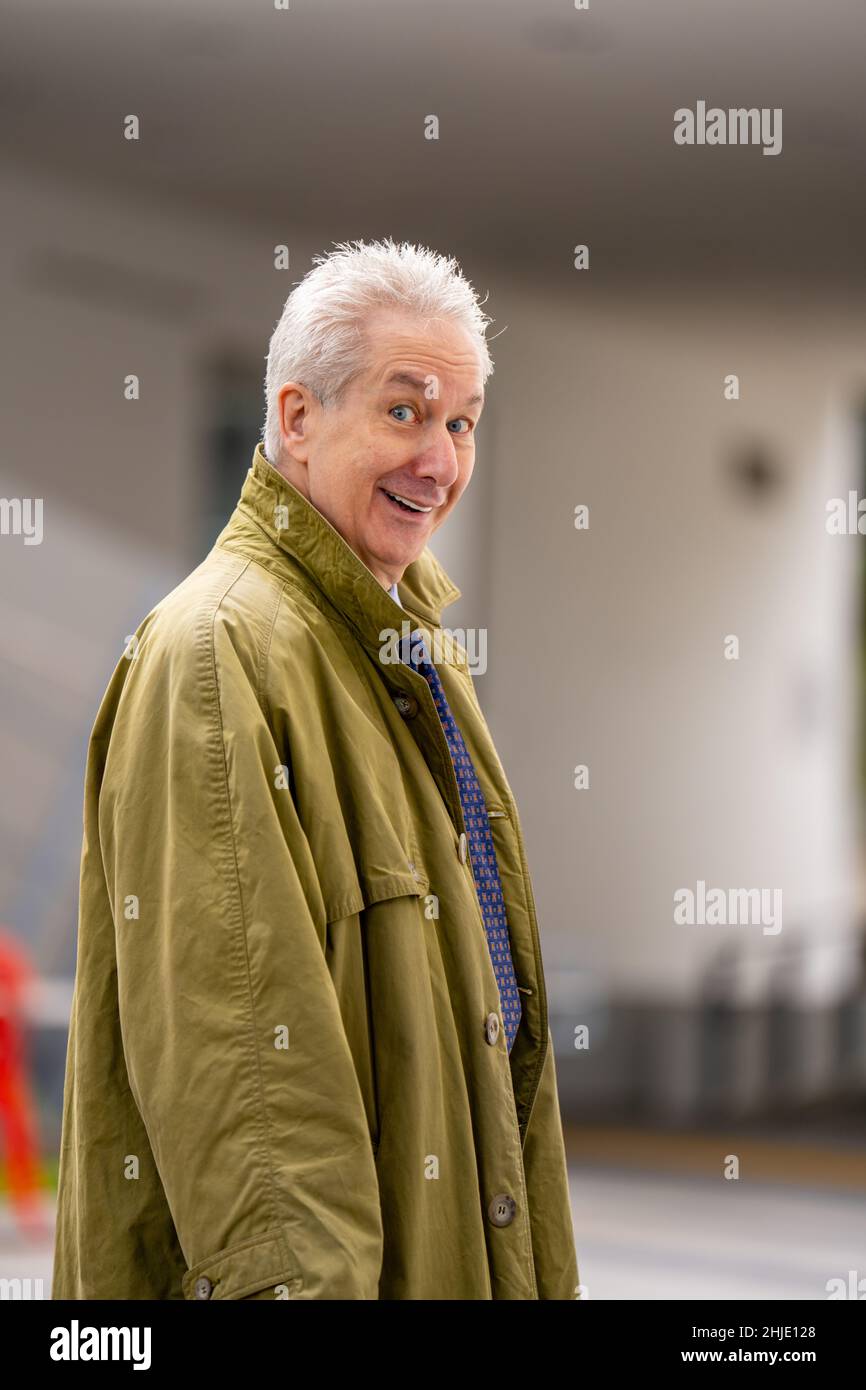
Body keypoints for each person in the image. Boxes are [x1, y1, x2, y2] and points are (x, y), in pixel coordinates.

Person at [52, 237, 580, 1300]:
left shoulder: (411, 650)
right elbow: (246, 1083)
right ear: (296, 417)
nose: (439, 460)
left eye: (461, 421)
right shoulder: (218, 653)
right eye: (404, 410)